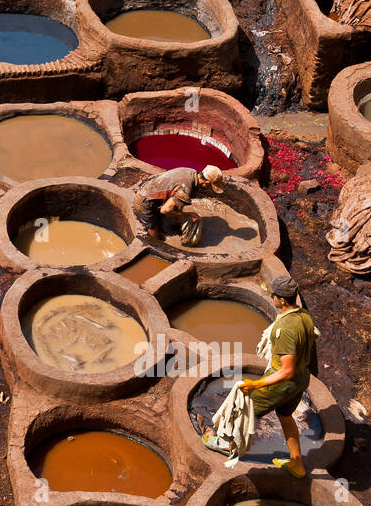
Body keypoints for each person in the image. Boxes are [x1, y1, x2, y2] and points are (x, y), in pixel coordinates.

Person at [239, 275, 318, 478]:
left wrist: (256, 385)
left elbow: (286, 371)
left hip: (282, 384)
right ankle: (296, 463)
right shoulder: (304, 316)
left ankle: (226, 444)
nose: (272, 297)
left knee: (245, 410)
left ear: (282, 300)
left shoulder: (286, 330)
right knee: (285, 417)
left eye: (273, 295)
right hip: (301, 379)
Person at [132, 164, 225, 243]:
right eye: (211, 187)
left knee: (173, 212)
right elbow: (165, 210)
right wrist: (188, 215)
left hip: (149, 190)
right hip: (143, 201)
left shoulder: (192, 172)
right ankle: (157, 244)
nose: (209, 189)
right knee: (153, 228)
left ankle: (167, 226)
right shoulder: (186, 188)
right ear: (207, 182)